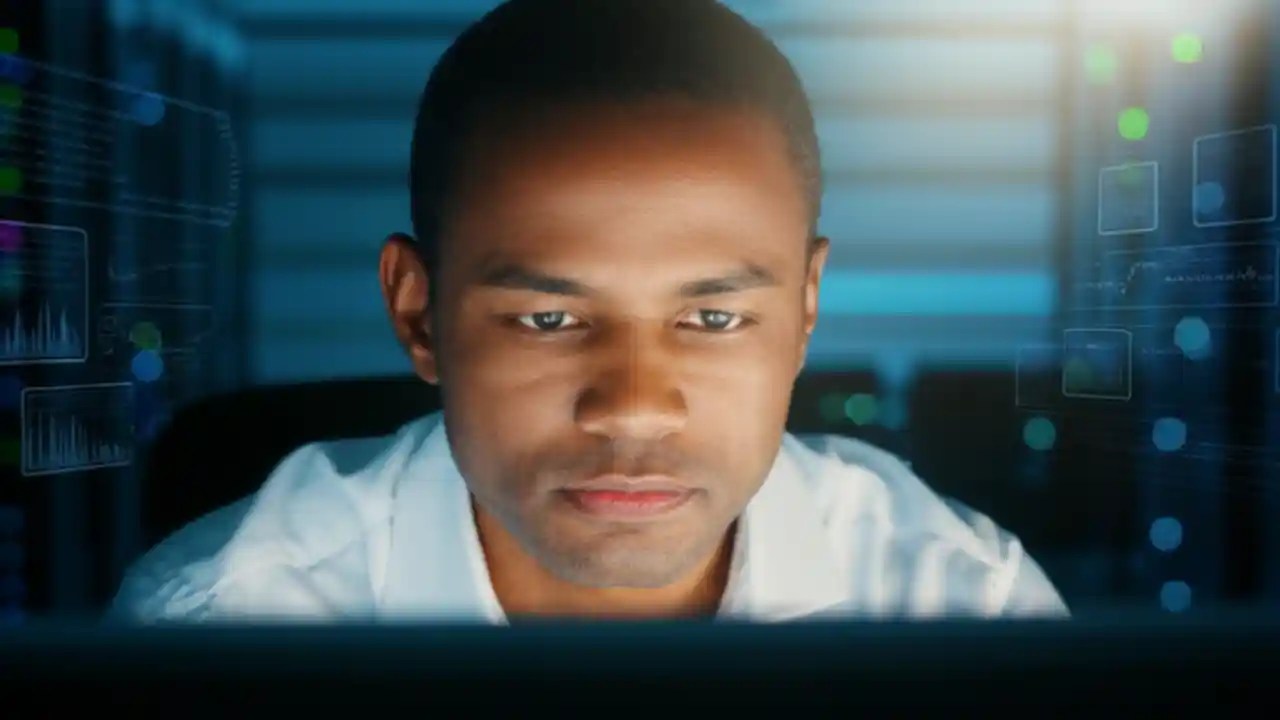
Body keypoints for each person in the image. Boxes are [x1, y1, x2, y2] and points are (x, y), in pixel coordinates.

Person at [112, 0, 1067, 623]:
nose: (634, 408)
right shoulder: (226, 629)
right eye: (548, 320)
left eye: (715, 320)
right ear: (420, 316)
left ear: (806, 310)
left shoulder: (961, 607)